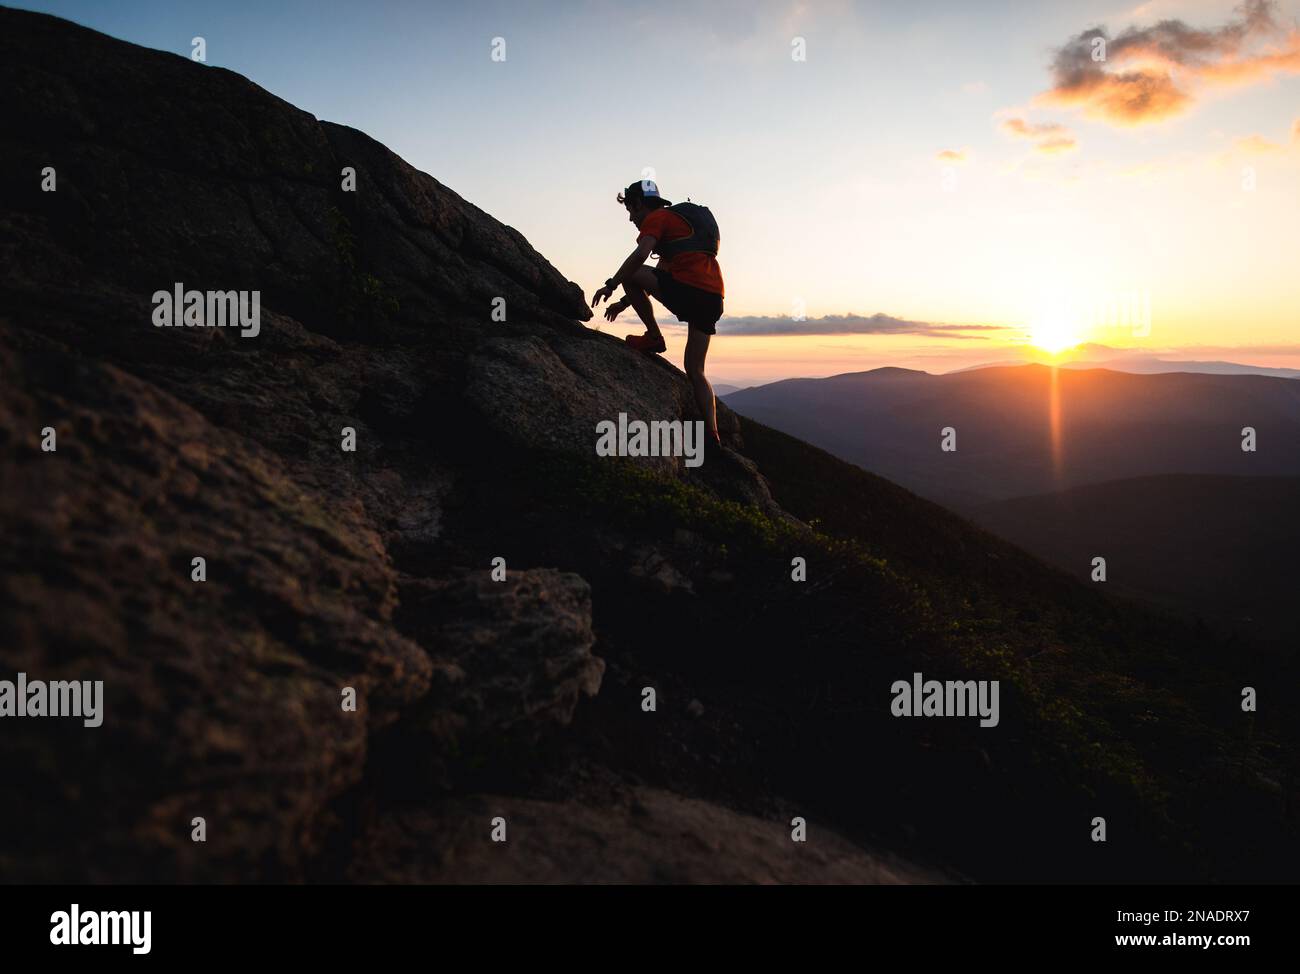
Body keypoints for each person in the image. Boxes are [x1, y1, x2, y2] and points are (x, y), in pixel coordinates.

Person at [590, 179, 724, 445]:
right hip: (712, 297)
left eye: (630, 210)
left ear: (639, 203)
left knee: (631, 272)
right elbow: (659, 277)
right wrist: (624, 304)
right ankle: (713, 435)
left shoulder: (657, 218)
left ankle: (654, 336)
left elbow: (639, 256)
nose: (631, 218)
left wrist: (611, 285)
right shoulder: (675, 229)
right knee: (695, 369)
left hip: (689, 291)